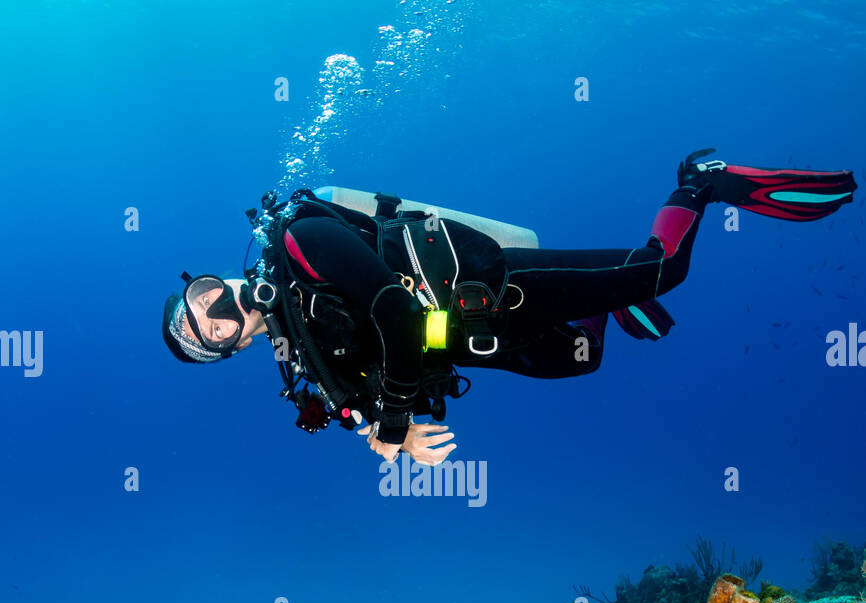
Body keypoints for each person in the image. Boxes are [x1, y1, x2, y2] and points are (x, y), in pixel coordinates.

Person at [163, 150, 856, 466]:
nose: (217, 311)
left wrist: (396, 420)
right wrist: (383, 430)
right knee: (582, 360)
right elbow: (365, 387)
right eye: (207, 332)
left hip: (492, 288)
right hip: (476, 340)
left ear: (211, 277)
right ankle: (611, 306)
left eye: (202, 298)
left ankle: (700, 185)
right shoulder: (294, 347)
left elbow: (398, 318)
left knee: (660, 271)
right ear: (229, 350)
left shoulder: (298, 240)